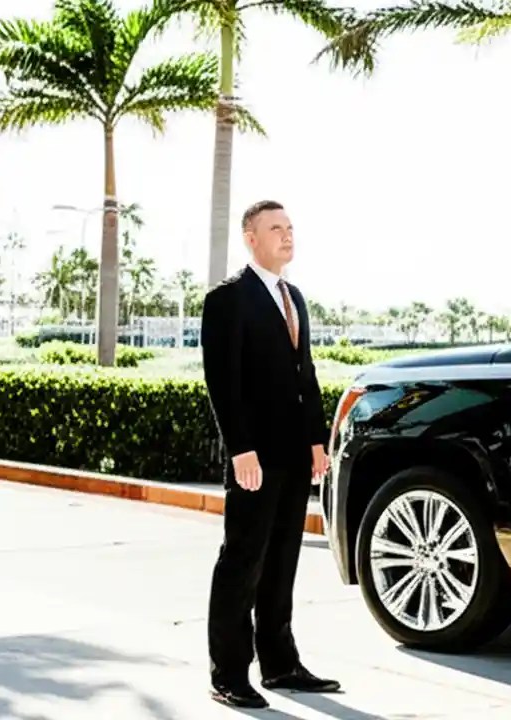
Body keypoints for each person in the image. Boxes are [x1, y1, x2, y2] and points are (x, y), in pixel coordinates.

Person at [201, 199, 338, 708]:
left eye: (290, 227)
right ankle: (229, 673)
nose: (287, 235)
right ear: (251, 238)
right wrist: (241, 449)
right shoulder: (228, 299)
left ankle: (281, 665)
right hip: (253, 456)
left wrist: (316, 441)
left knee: (282, 562)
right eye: (275, 228)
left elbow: (306, 375)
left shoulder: (294, 296)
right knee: (242, 561)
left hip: (295, 456)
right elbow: (223, 382)